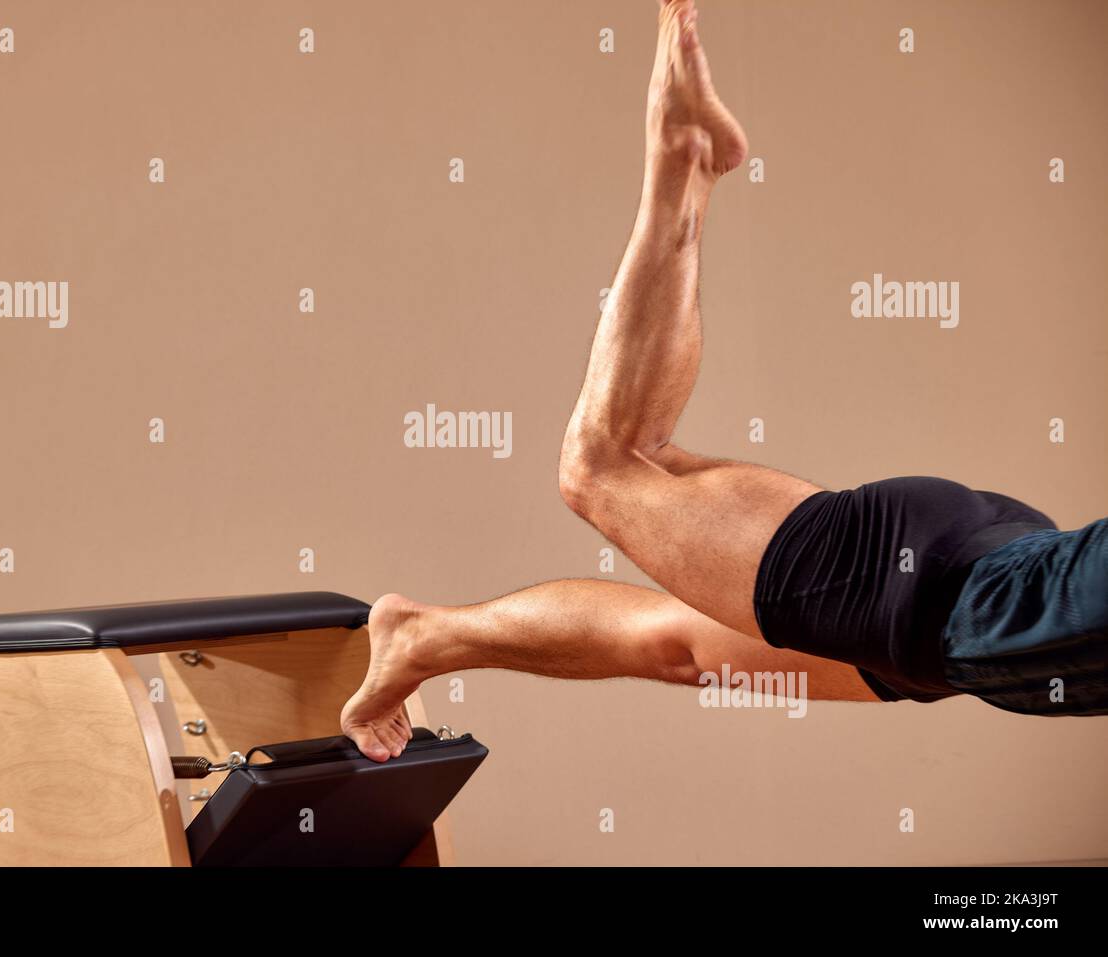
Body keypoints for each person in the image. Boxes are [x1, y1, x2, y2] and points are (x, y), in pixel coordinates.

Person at [341, 0, 1108, 762]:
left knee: (681, 647)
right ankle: (681, 160)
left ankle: (426, 635)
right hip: (951, 587)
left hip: (964, 607)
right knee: (605, 466)